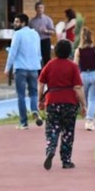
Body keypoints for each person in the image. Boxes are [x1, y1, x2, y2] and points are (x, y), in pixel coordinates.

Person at [39, 38, 85, 170]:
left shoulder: (49, 65)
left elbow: (41, 83)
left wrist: (40, 99)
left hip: (52, 101)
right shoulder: (73, 67)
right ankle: (66, 160)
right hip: (69, 103)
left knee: (52, 128)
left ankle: (51, 148)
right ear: (69, 51)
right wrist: (83, 104)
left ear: (56, 51)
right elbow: (77, 87)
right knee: (68, 132)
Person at [5, 13, 44, 129]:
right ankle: (34, 110)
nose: (15, 24)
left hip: (20, 68)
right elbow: (38, 52)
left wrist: (7, 67)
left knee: (21, 95)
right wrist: (38, 63)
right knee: (34, 93)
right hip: (34, 68)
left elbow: (13, 52)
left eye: (17, 22)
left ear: (23, 23)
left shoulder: (17, 34)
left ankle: (24, 122)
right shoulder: (35, 34)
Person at [74, 27, 95, 132]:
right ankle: (89, 121)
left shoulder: (78, 50)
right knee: (92, 100)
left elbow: (75, 65)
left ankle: (84, 113)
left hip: (83, 76)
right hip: (94, 74)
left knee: (84, 99)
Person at [29, 1, 56, 66]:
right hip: (35, 42)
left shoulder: (48, 19)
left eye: (41, 7)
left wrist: (46, 31)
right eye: (38, 8)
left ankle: (48, 73)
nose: (39, 9)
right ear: (35, 9)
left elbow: (53, 32)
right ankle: (38, 74)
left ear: (43, 9)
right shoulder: (32, 21)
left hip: (45, 41)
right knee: (36, 59)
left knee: (46, 58)